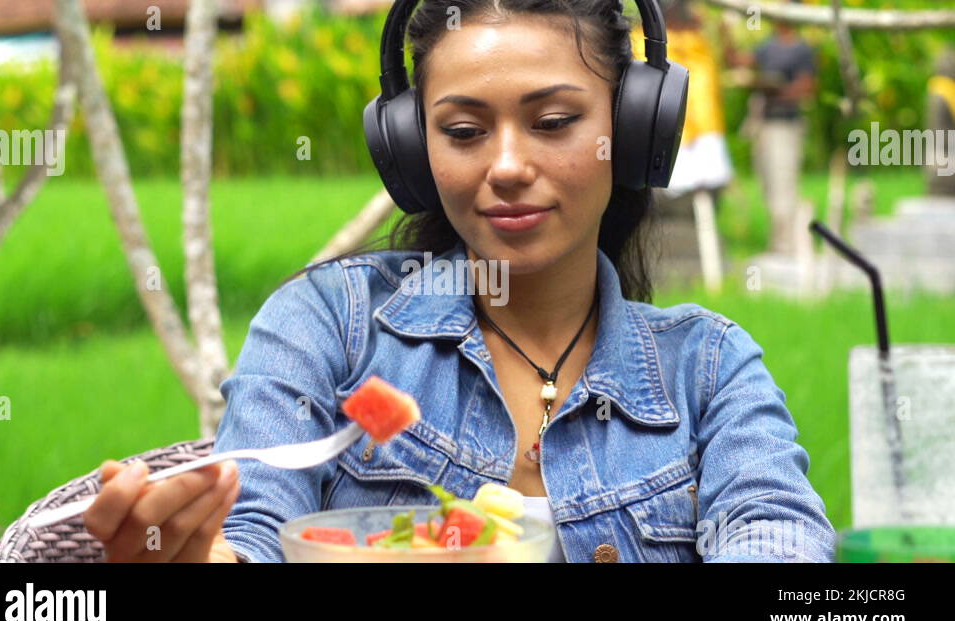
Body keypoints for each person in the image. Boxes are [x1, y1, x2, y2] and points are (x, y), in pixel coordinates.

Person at [84, 0, 836, 563]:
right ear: (413, 150)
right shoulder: (328, 327)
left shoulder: (710, 370)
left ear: (634, 130)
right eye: (465, 132)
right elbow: (251, 530)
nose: (506, 166)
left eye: (553, 121)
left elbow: (777, 538)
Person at [748, 5, 817, 257]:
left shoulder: (801, 49)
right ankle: (778, 242)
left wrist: (779, 91)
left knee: (784, 183)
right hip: (765, 125)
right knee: (768, 183)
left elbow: (808, 86)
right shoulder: (767, 47)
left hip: (786, 125)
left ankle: (788, 246)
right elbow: (743, 62)